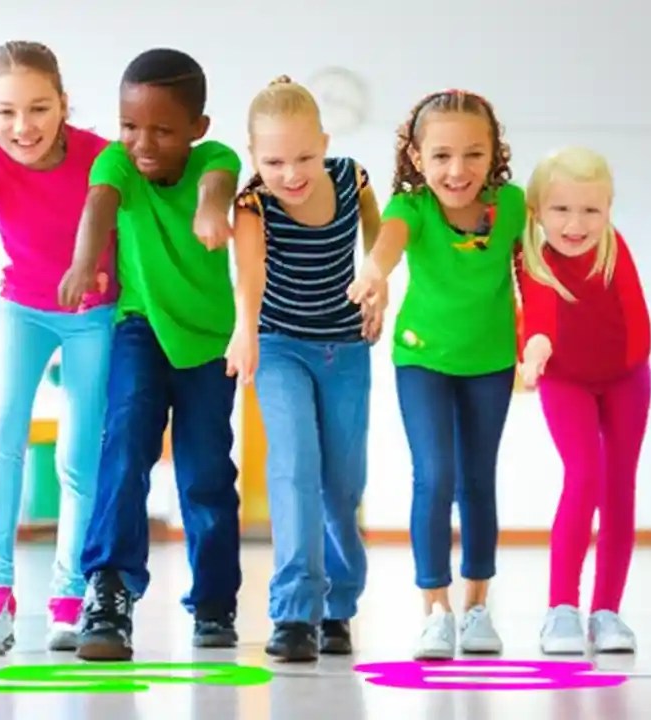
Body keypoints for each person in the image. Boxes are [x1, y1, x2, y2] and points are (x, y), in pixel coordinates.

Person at [58, 48, 242, 662]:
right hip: (139, 326)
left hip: (209, 343)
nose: (142, 142)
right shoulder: (118, 162)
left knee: (205, 471)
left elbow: (217, 184)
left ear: (198, 128)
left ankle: (215, 601)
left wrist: (213, 208)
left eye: (162, 129)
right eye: (130, 125)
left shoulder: (217, 158)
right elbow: (98, 205)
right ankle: (108, 589)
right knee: (126, 447)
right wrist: (86, 261)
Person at [0, 41, 115, 655]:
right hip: (24, 308)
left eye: (40, 109)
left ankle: (69, 595)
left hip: (92, 315)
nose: (24, 127)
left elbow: (124, 228)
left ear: (64, 104)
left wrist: (107, 272)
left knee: (78, 455)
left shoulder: (101, 156)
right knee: (3, 438)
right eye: (7, 112)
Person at [347, 88, 525, 660]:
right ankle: (436, 612)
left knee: (478, 478)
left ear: (494, 153)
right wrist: (372, 274)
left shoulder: (514, 205)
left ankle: (476, 608)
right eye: (442, 155)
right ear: (418, 158)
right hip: (423, 359)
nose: (458, 170)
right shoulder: (412, 208)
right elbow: (387, 248)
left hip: (490, 360)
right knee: (435, 474)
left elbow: (540, 270)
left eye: (474, 154)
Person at [225, 76, 382, 662]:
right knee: (293, 469)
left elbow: (378, 231)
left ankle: (338, 604)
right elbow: (252, 274)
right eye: (273, 161)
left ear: (325, 141)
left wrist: (377, 284)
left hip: (344, 348)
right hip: (279, 346)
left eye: (304, 157)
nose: (290, 173)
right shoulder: (253, 202)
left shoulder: (350, 177)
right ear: (252, 155)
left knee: (341, 485)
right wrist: (245, 333)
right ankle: (294, 612)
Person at [515, 146, 651, 655]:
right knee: (584, 476)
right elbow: (542, 315)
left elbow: (634, 319)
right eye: (561, 210)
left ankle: (608, 612)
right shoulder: (536, 257)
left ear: (608, 210)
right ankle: (561, 610)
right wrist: (535, 351)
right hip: (564, 377)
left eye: (591, 210)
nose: (576, 224)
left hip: (626, 379)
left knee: (619, 487)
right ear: (537, 212)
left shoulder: (615, 246)